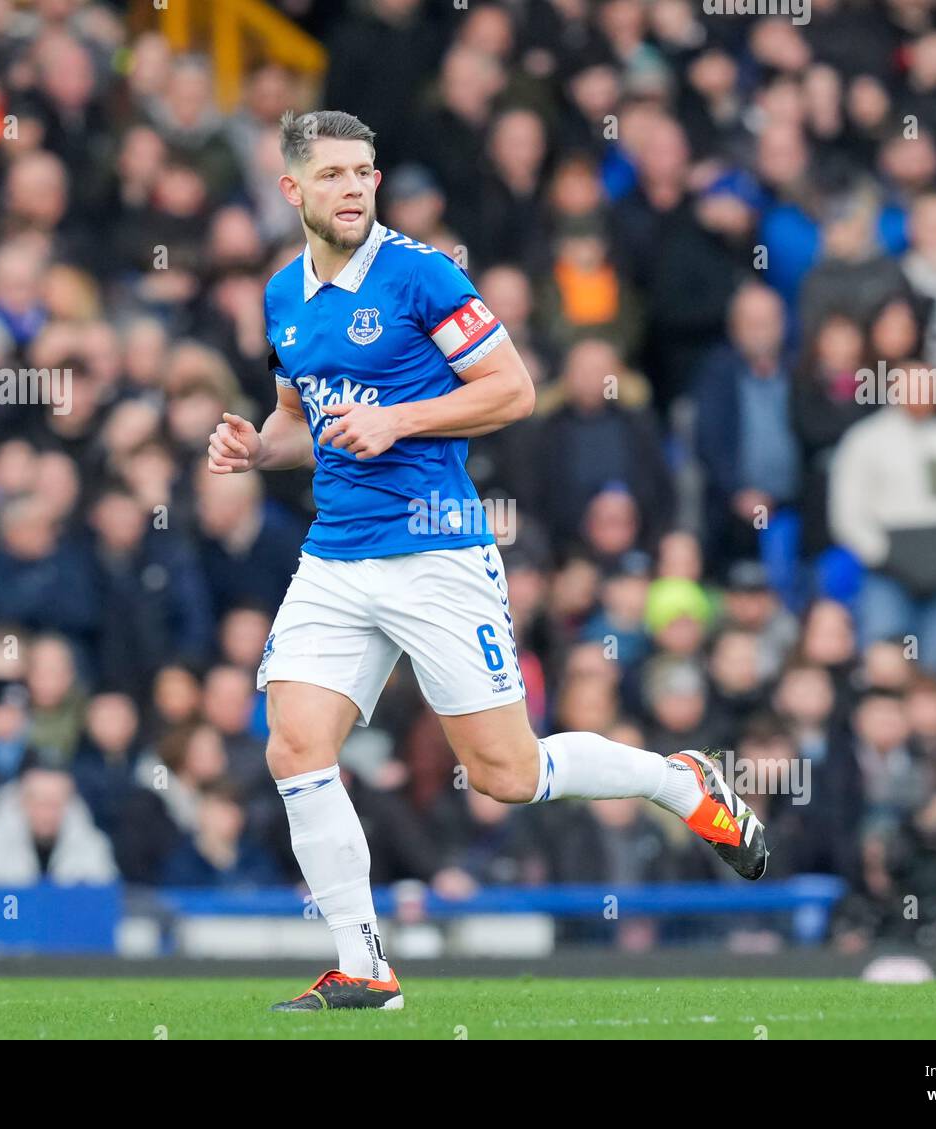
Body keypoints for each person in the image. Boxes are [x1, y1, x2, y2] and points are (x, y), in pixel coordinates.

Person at [206, 110, 769, 1012]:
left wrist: (399, 418)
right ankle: (365, 967)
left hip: (435, 548)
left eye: (365, 171)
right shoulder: (281, 296)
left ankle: (678, 779)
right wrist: (256, 447)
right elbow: (300, 422)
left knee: (507, 775)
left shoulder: (422, 274)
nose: (355, 189)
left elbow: (513, 388)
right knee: (294, 744)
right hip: (337, 555)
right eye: (337, 175)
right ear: (293, 190)